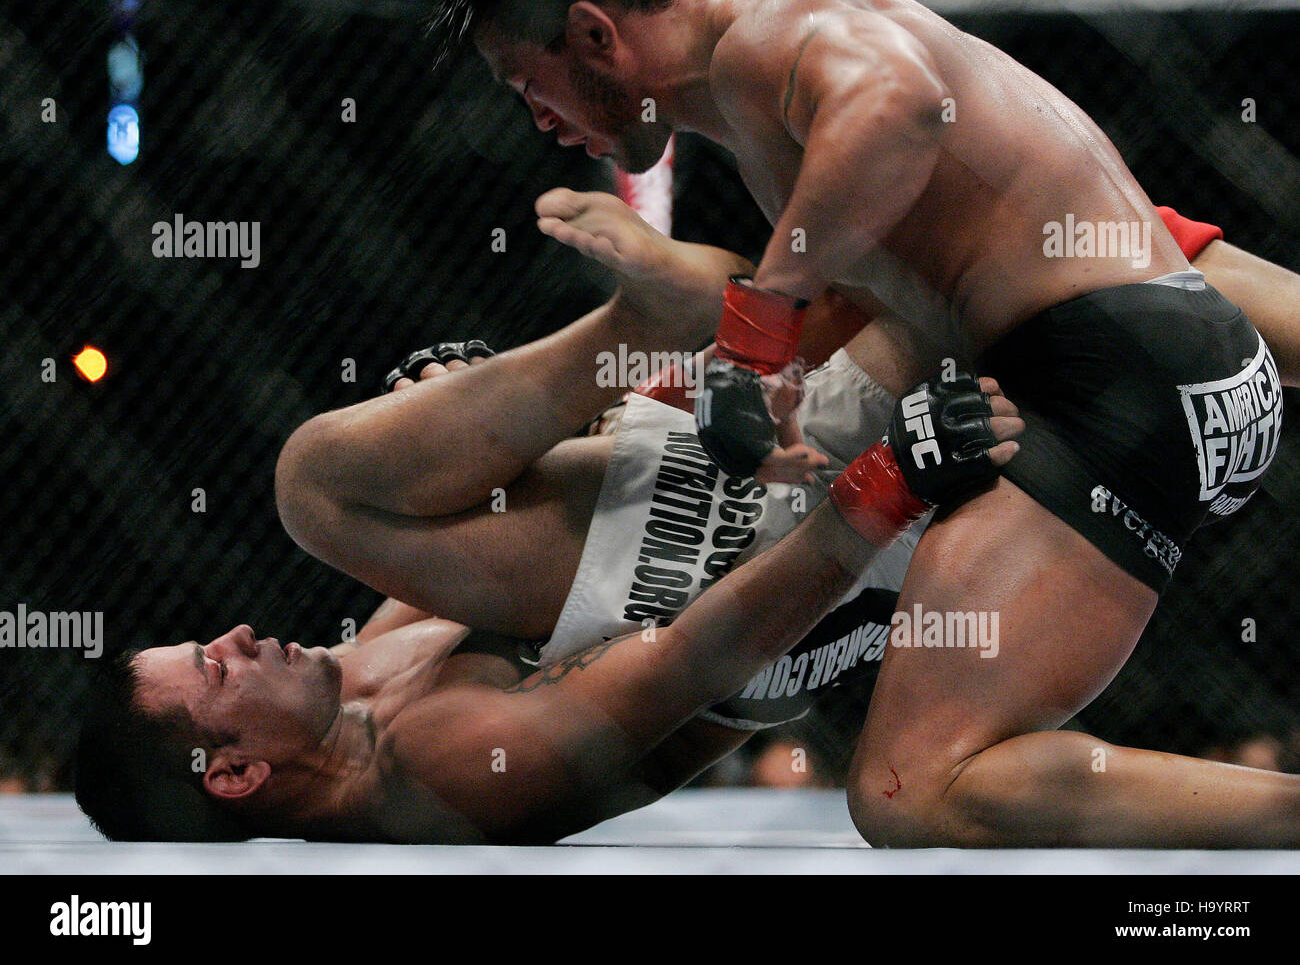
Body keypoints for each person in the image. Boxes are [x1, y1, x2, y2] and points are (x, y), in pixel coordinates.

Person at [432, 0, 1293, 845]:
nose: (541, 122)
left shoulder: (769, 31)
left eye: (526, 83)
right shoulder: (773, 77)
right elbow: (899, 272)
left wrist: (758, 332)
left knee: (910, 787)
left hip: (1118, 362)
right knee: (910, 785)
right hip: (1153, 365)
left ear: (594, 34)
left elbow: (900, 108)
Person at [73, 211, 1020, 842]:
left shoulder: (357, 678)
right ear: (233, 774)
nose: (235, 637)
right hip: (764, 573)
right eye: (214, 669)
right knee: (973, 267)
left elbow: (489, 529)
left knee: (926, 245)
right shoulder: (443, 773)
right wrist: (890, 485)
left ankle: (635, 329)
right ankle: (634, 324)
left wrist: (461, 411)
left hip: (680, 474)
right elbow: (699, 657)